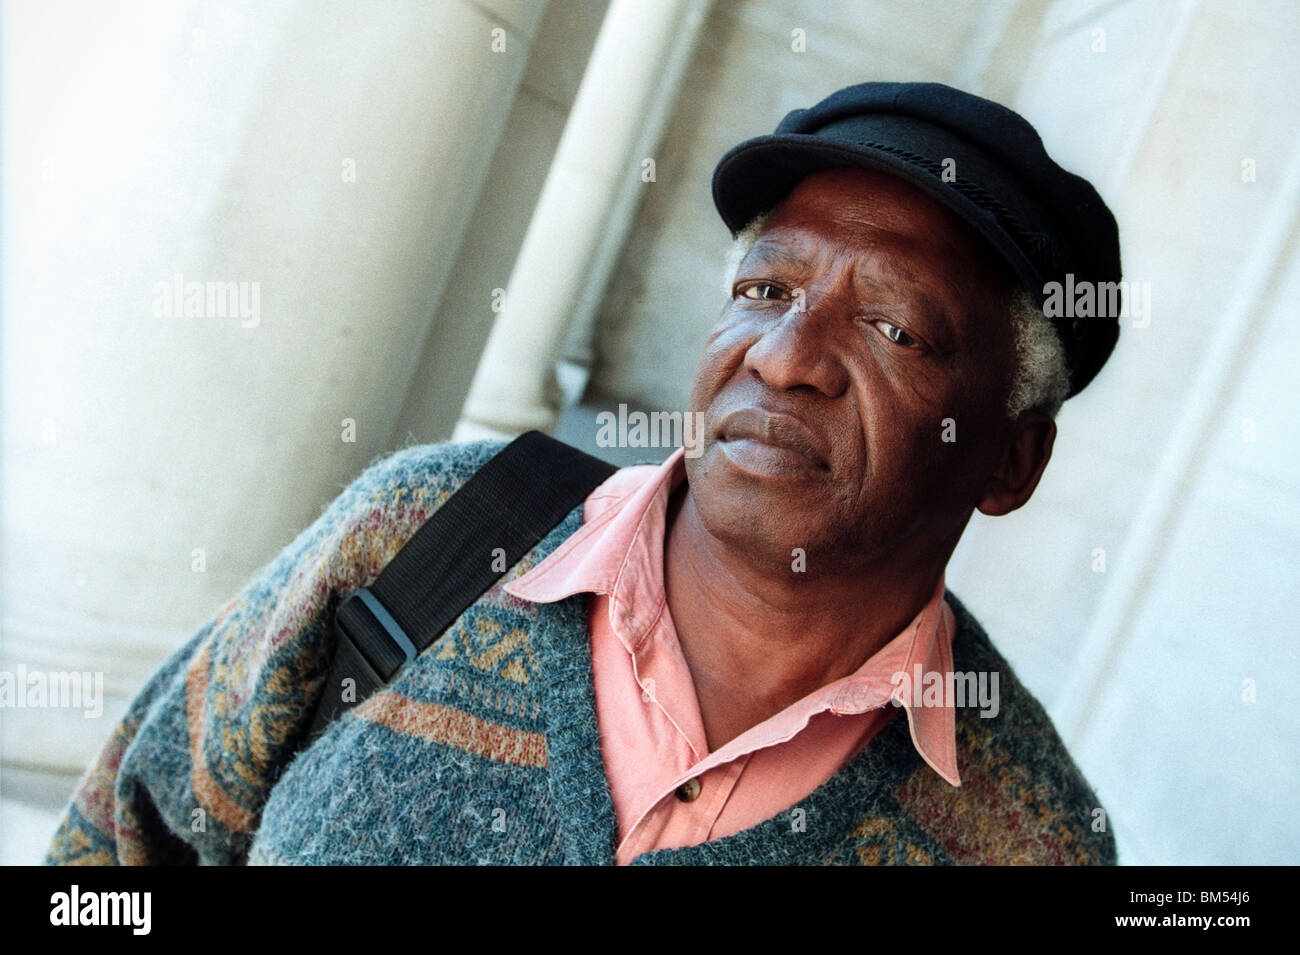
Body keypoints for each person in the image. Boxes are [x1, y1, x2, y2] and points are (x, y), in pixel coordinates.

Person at [46, 81, 1120, 866]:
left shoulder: (1028, 841)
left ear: (1008, 459)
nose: (786, 357)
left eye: (892, 328)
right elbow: (116, 849)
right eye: (763, 289)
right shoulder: (431, 531)